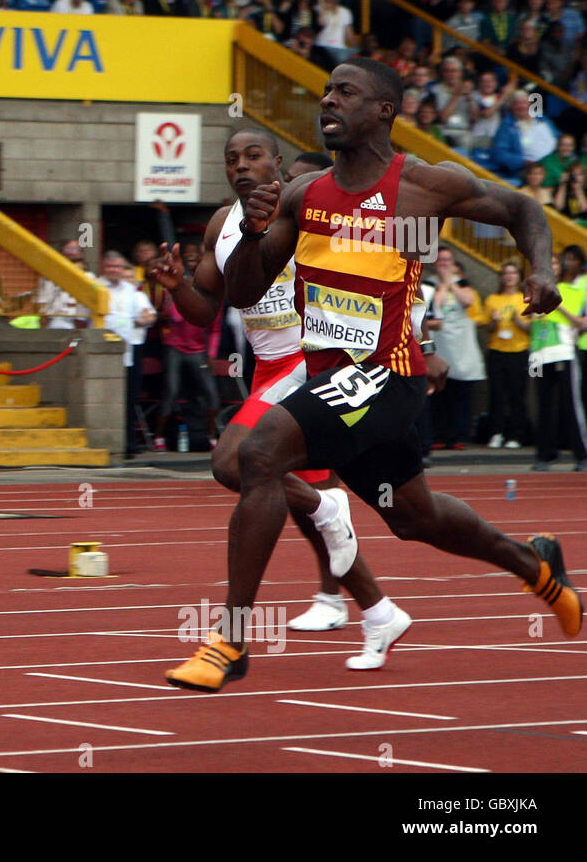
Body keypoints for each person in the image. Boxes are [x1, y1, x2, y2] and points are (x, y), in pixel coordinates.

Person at [166, 57, 580, 693]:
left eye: (345, 92)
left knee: (257, 455)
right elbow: (246, 292)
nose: (328, 101)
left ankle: (229, 641)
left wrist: (542, 269)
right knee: (413, 517)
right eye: (326, 91)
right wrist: (252, 233)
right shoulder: (304, 195)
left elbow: (523, 207)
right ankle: (537, 566)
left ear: (384, 110)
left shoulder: (425, 186)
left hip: (388, 373)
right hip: (330, 379)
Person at [152, 129, 409, 657]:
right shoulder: (223, 225)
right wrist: (177, 285)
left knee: (233, 463)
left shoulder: (307, 210)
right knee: (299, 504)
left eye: (252, 156)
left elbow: (374, 266)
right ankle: (379, 611)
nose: (241, 167)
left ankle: (323, 551)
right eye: (231, 159)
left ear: (278, 162)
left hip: (310, 363)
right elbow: (206, 310)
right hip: (268, 368)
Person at [152, 241, 220, 452]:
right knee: (171, 391)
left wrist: (211, 354)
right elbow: (170, 316)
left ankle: (211, 435)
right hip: (175, 347)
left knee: (211, 394)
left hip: (198, 350)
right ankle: (159, 436)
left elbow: (215, 328)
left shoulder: (208, 293)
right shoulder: (173, 291)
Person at [529, 253, 587, 471]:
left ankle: (582, 454)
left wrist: (556, 304)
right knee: (541, 406)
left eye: (553, 263)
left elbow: (580, 323)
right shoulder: (530, 291)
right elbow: (531, 324)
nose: (549, 266)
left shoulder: (571, 290)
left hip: (563, 352)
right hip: (536, 354)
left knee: (572, 405)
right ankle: (544, 455)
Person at [425, 250, 485, 449]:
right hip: (438, 344)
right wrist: (443, 284)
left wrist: (451, 282)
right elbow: (435, 305)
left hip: (460, 348)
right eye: (440, 260)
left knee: (460, 394)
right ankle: (439, 435)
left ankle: (459, 436)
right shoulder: (429, 283)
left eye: (447, 260)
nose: (443, 263)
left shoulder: (462, 282)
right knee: (438, 394)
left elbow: (467, 301)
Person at [101, 251, 154, 458]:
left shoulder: (132, 291)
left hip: (128, 351)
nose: (114, 270)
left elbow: (148, 315)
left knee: (129, 399)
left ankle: (128, 444)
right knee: (105, 399)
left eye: (118, 266)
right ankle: (105, 443)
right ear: (104, 268)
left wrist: (143, 319)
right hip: (102, 353)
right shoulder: (95, 287)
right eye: (110, 266)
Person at [482, 261, 531, 449]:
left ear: (519, 277)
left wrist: (518, 321)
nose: (509, 276)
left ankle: (516, 435)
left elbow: (530, 328)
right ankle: (496, 433)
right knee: (496, 394)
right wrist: (494, 322)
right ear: (502, 277)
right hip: (496, 351)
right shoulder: (493, 299)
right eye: (506, 273)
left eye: (513, 273)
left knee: (517, 395)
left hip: (519, 351)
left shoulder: (524, 299)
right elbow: (488, 328)